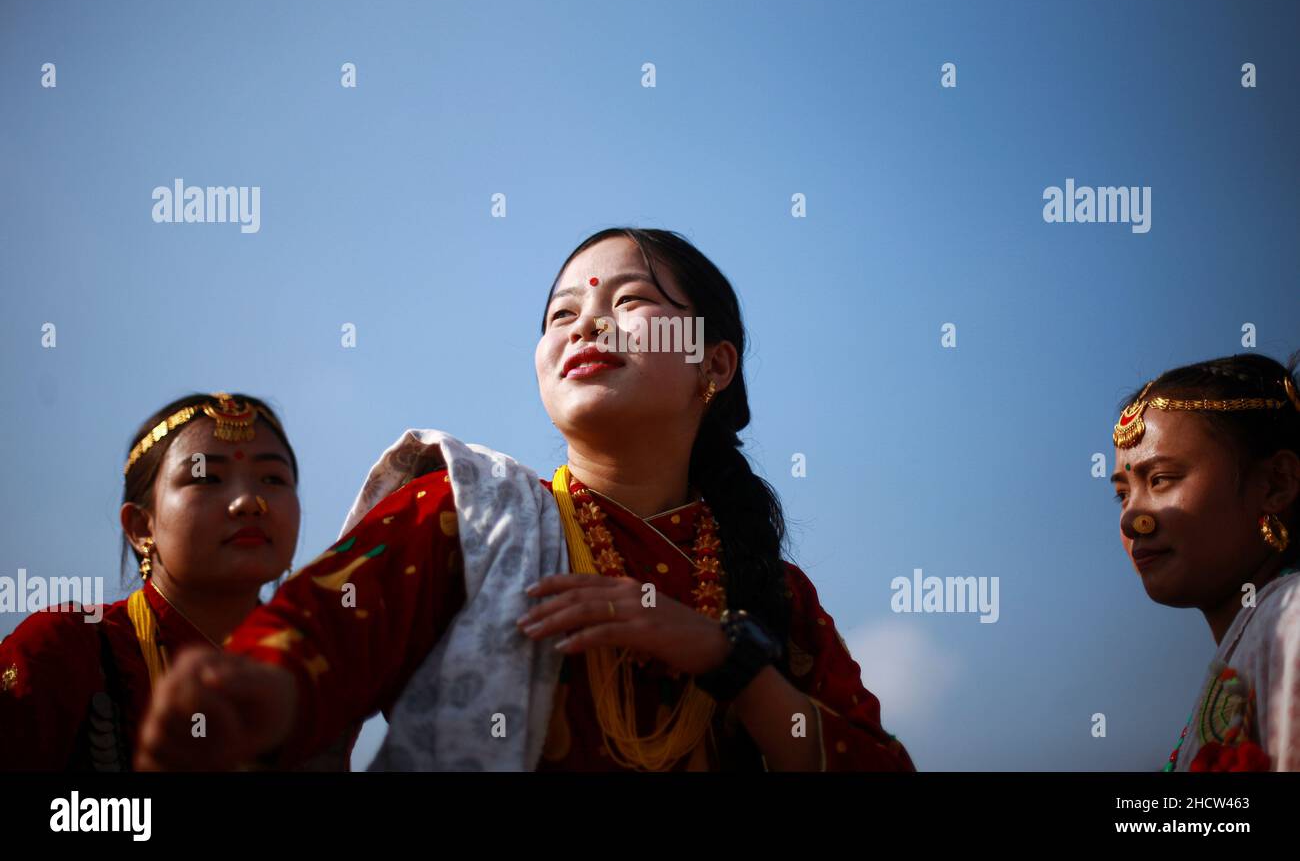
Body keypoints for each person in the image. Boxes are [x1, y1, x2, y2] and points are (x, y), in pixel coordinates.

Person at [136, 229, 916, 772]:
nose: (585, 326)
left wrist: (727, 660)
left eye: (631, 299)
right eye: (560, 315)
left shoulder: (779, 599)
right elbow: (317, 642)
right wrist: (249, 694)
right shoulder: (470, 515)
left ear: (712, 364)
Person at [0, 392, 354, 770]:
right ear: (140, 527)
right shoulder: (67, 647)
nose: (249, 501)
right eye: (207, 477)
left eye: (272, 478)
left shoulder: (315, 671)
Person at [1110, 353, 1300, 771]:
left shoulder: (1291, 620)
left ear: (1276, 483)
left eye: (1160, 480)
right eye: (1122, 494)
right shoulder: (1256, 640)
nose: (1131, 517)